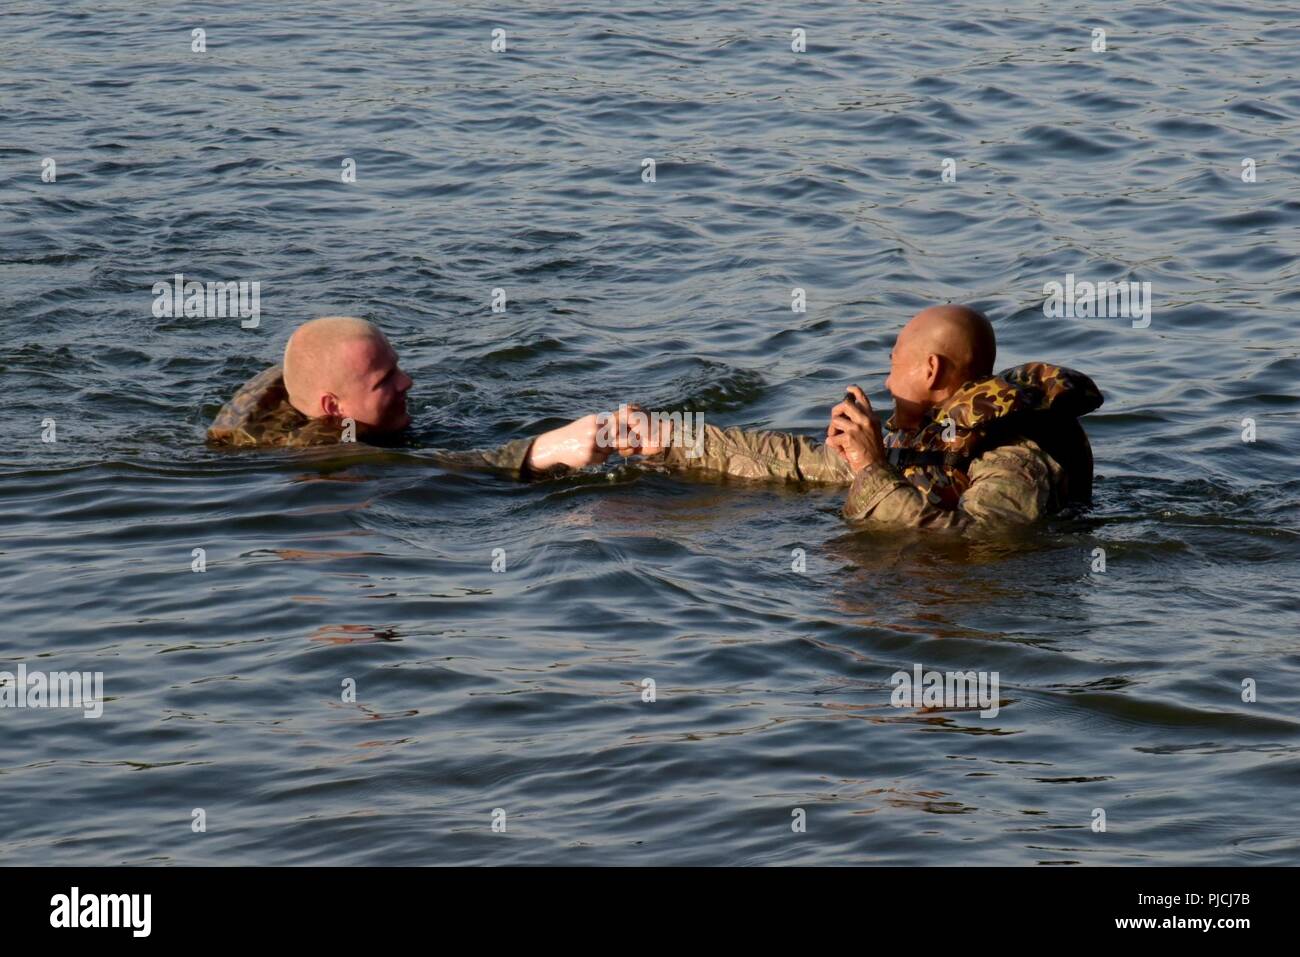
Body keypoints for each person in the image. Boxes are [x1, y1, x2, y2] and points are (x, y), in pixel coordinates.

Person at [633, 305, 1104, 529]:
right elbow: (797, 463)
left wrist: (870, 471)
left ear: (931, 369)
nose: (886, 381)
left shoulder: (1014, 455)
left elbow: (977, 544)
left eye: (894, 364)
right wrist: (672, 439)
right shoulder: (935, 430)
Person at [206, 316, 637, 478]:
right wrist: (545, 449)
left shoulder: (307, 385)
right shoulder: (319, 452)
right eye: (385, 380)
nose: (408, 382)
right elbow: (430, 467)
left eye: (398, 366)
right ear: (333, 408)